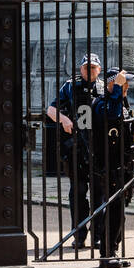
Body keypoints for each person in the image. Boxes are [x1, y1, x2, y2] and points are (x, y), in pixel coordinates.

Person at [45, 52, 104, 251]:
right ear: (81, 69)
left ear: (99, 69)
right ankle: (79, 234)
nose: (90, 70)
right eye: (86, 67)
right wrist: (64, 120)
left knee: (99, 194)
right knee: (78, 192)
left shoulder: (104, 87)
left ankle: (98, 236)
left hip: (99, 148)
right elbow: (51, 110)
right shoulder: (70, 86)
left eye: (93, 67)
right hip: (77, 148)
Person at [91, 66, 134, 268]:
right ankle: (106, 253)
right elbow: (111, 117)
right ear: (112, 84)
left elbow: (129, 130)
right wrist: (117, 92)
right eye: (123, 83)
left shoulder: (120, 102)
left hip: (124, 165)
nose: (127, 87)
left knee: (119, 211)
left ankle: (113, 248)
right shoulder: (102, 104)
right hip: (109, 167)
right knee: (113, 210)